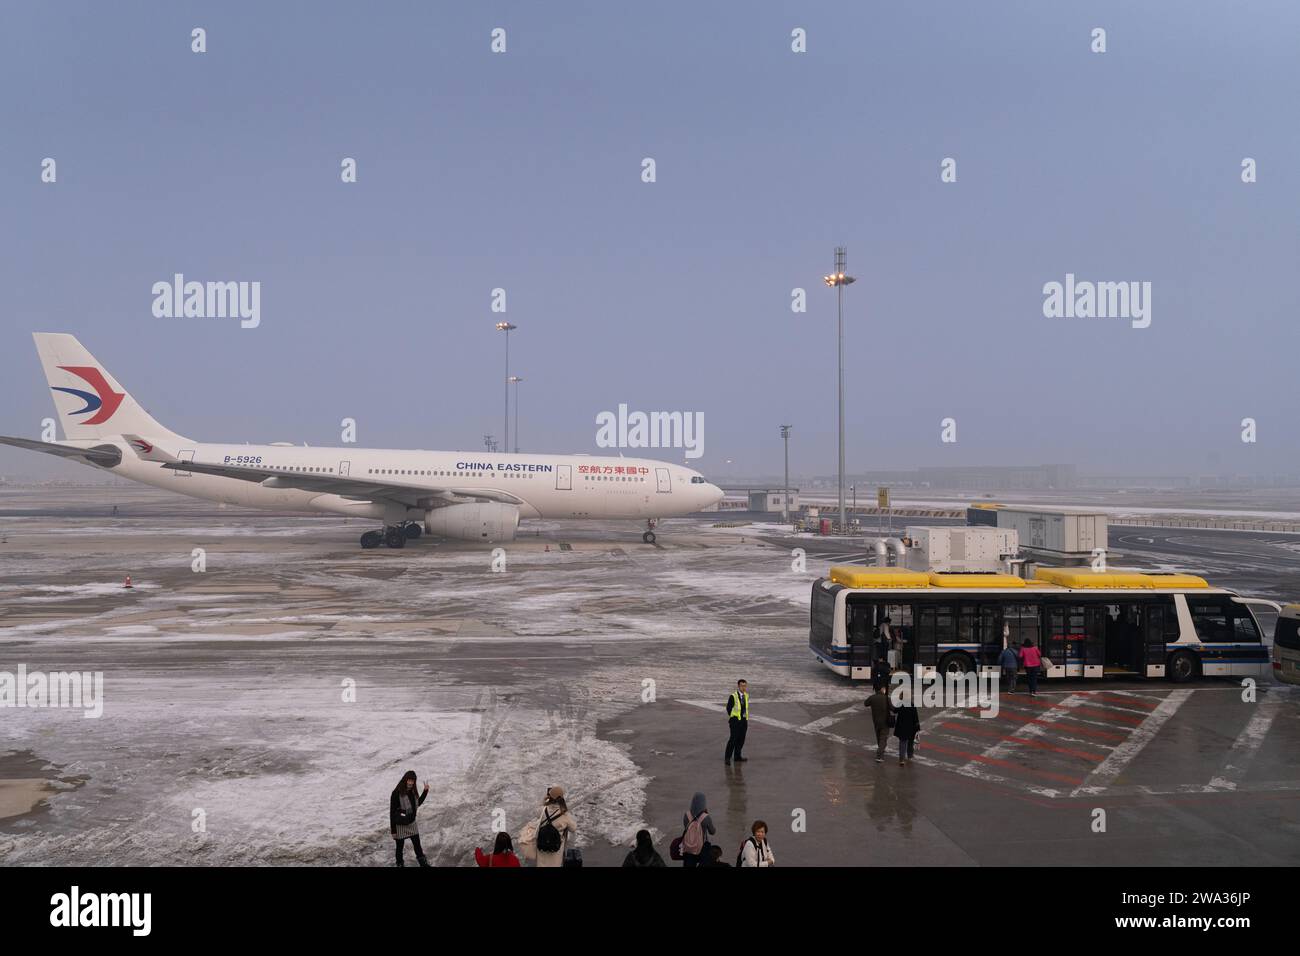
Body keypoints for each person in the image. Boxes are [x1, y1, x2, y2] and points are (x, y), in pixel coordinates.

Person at [389, 770, 430, 867]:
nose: (411, 783)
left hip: (411, 823)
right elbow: (392, 813)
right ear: (405, 780)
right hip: (400, 824)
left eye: (413, 781)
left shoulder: (413, 792)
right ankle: (400, 864)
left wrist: (425, 791)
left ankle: (423, 864)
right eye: (409, 780)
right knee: (399, 847)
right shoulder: (396, 793)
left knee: (417, 845)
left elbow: (417, 804)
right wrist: (393, 830)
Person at [533, 786, 577, 868]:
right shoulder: (564, 814)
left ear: (549, 797)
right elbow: (574, 828)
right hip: (556, 848)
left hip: (542, 845)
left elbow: (535, 811)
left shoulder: (543, 810)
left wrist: (543, 800)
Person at [680, 791, 716, 867]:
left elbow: (686, 829)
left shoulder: (687, 815)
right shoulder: (705, 817)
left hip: (688, 847)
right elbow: (712, 832)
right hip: (702, 849)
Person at [865, 684, 896, 763]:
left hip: (876, 721)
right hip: (885, 722)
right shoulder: (886, 698)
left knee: (879, 737)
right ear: (882, 689)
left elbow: (866, 703)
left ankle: (880, 750)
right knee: (883, 738)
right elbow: (893, 709)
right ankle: (879, 755)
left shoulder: (872, 698)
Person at [725, 679, 749, 764]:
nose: (744, 687)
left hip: (743, 721)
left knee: (741, 739)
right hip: (735, 721)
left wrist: (745, 719)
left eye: (745, 686)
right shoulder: (733, 696)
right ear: (738, 686)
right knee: (733, 739)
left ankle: (737, 756)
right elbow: (728, 708)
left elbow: (745, 708)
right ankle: (727, 758)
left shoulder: (746, 695)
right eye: (742, 686)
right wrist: (733, 717)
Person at [894, 701, 920, 765]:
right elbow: (915, 716)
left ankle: (902, 760)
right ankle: (910, 756)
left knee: (902, 742)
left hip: (902, 726)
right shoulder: (912, 704)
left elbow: (895, 711)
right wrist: (917, 727)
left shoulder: (900, 704)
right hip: (911, 727)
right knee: (910, 741)